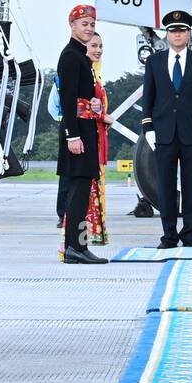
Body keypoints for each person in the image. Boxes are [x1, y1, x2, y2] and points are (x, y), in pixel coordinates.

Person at [141, 10, 192, 249]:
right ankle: (169, 235)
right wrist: (148, 128)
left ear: (189, 34)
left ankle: (191, 233)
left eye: (182, 30)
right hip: (163, 132)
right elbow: (148, 96)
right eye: (173, 31)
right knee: (165, 185)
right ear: (167, 34)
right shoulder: (154, 61)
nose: (177, 34)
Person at [56, 4, 107, 265]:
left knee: (83, 193)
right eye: (84, 24)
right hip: (77, 133)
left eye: (91, 24)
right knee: (77, 193)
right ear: (72, 26)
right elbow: (66, 100)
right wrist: (71, 136)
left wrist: (94, 104)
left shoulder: (82, 57)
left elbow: (80, 96)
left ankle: (79, 246)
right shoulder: (70, 56)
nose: (88, 29)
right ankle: (74, 247)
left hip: (85, 130)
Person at [84, 30, 114, 247]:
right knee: (86, 194)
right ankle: (79, 240)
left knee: (95, 190)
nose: (98, 50)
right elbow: (79, 106)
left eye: (100, 46)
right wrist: (103, 116)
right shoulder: (85, 74)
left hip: (99, 138)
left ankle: (89, 238)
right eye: (93, 45)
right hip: (88, 139)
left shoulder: (96, 74)